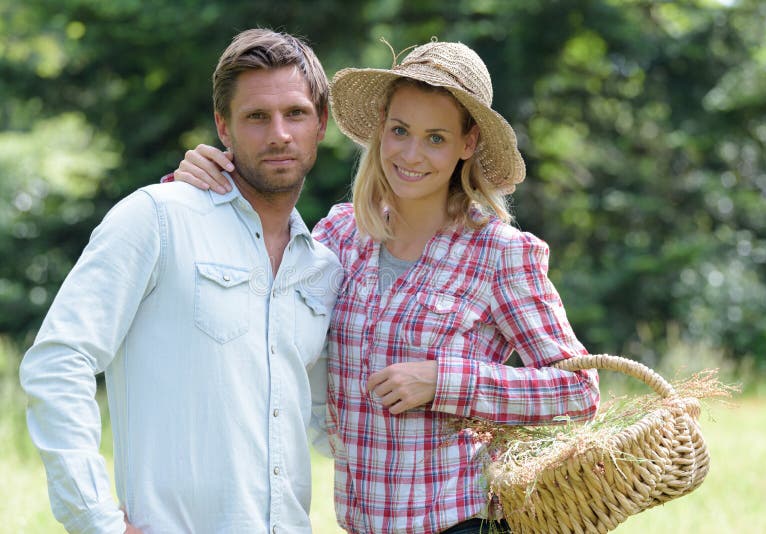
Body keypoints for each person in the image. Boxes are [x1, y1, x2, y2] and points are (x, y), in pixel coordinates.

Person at [173, 40, 600, 534]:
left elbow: (578, 391)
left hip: (465, 520)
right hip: (360, 523)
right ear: (381, 128)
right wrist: (197, 191)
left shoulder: (499, 253)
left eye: (436, 138)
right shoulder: (337, 238)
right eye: (400, 131)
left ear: (468, 143)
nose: (411, 154)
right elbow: (251, 292)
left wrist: (444, 382)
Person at [19, 29, 342, 534]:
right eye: (257, 116)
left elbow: (330, 427)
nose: (279, 133)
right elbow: (58, 359)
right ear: (223, 126)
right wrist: (95, 521)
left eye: (296, 113)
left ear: (321, 123)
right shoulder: (158, 217)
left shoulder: (323, 268)